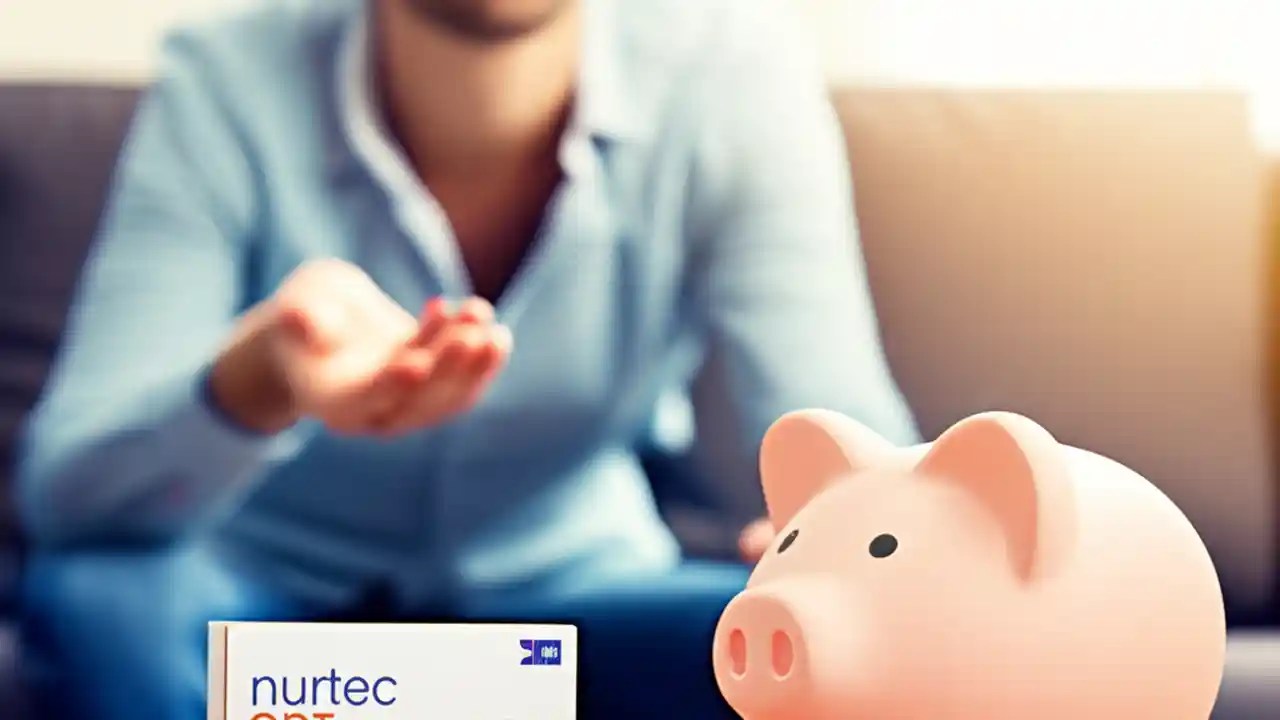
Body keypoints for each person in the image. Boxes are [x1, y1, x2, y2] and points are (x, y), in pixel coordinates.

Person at [16, 0, 917, 717]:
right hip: (262, 629)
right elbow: (66, 499)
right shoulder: (225, 79)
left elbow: (839, 430)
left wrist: (849, 548)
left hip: (575, 628)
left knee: (799, 649)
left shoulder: (733, 76)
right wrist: (256, 380)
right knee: (103, 607)